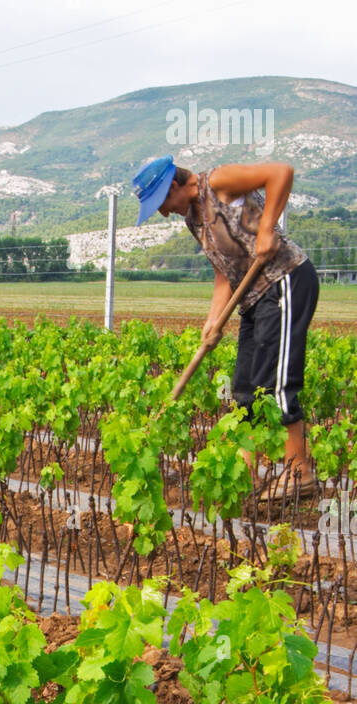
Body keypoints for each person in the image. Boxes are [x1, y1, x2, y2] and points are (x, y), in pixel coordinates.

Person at [134, 155, 319, 498]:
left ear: (175, 185)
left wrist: (266, 229)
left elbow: (281, 172)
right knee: (245, 390)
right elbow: (224, 271)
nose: (163, 212)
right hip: (252, 299)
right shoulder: (194, 218)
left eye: (161, 203)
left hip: (284, 281)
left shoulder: (217, 182)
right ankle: (243, 477)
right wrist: (213, 321)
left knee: (275, 384)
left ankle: (300, 475)